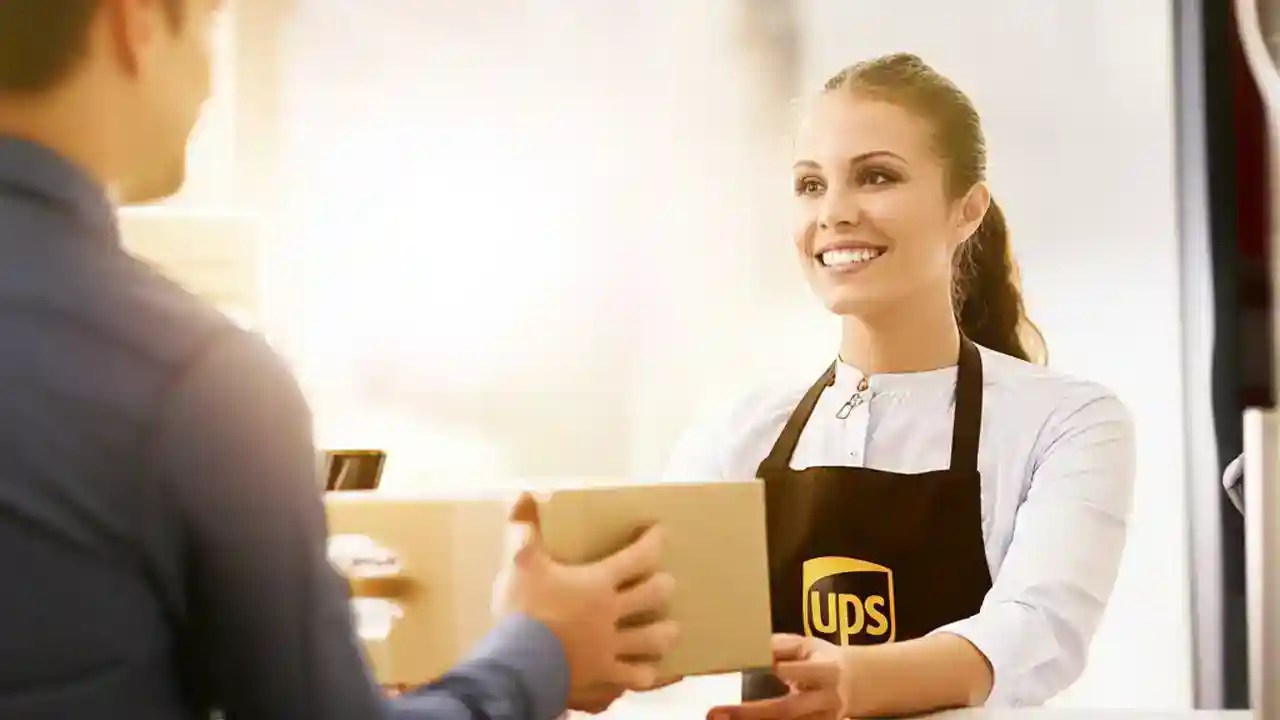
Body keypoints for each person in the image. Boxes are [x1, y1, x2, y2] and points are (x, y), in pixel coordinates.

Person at [0, 1, 677, 718]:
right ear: (132, 25)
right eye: (206, 28)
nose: (208, 81)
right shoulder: (191, 377)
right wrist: (542, 648)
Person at [662, 53, 1137, 720]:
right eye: (809, 185)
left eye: (876, 177)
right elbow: (663, 621)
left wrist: (857, 682)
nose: (834, 213)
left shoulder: (1068, 421)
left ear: (967, 208)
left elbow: (1039, 628)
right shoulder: (737, 432)